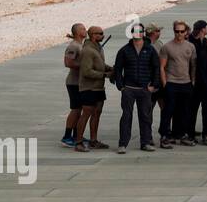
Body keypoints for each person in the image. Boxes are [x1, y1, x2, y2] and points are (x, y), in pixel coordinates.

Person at [112, 22, 162, 153]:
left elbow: (156, 67)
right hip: (128, 88)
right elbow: (118, 69)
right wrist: (121, 86)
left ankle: (145, 142)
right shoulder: (124, 50)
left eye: (140, 31)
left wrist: (154, 85)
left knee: (145, 116)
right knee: (126, 116)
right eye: (135, 31)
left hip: (145, 89)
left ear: (144, 33)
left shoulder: (150, 49)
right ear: (132, 33)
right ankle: (122, 144)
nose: (138, 34)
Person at [73, 25, 113, 153]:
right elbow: (86, 71)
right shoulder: (88, 51)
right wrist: (104, 75)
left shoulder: (98, 49)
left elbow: (99, 64)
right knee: (86, 115)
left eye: (102, 33)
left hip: (99, 88)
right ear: (93, 35)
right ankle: (78, 142)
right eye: (100, 33)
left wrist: (109, 68)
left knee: (97, 114)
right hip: (88, 88)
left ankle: (93, 140)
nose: (103, 35)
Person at [160, 20, 197, 148]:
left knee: (184, 111)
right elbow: (162, 66)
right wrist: (165, 83)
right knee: (168, 110)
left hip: (186, 83)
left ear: (186, 32)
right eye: (177, 31)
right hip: (171, 82)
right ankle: (164, 135)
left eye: (182, 31)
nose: (179, 34)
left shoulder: (190, 46)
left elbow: (193, 65)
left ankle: (181, 135)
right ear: (174, 31)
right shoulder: (167, 47)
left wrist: (192, 80)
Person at [61, 23, 86, 147]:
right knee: (75, 109)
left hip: (80, 82)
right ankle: (67, 136)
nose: (85, 30)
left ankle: (77, 135)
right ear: (76, 32)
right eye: (82, 29)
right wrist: (84, 67)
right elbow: (68, 62)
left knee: (80, 109)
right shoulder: (74, 46)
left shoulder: (81, 45)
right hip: (73, 83)